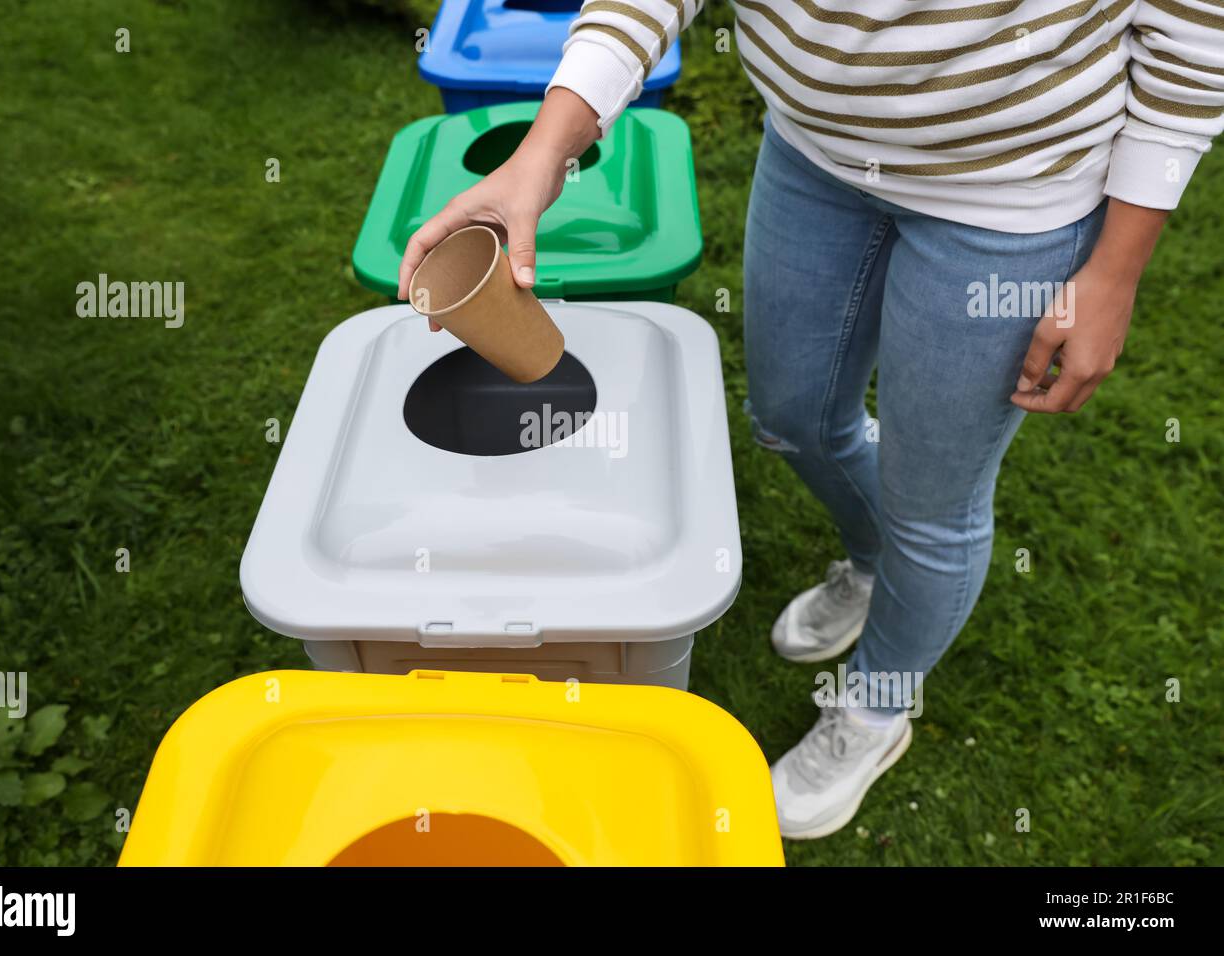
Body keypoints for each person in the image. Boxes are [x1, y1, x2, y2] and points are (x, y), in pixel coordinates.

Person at [397, 0, 1224, 839]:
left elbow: (1195, 28)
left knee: (932, 507)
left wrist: (1117, 268)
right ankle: (874, 565)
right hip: (813, 157)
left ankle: (877, 708)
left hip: (1009, 196)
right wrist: (543, 152)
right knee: (790, 416)